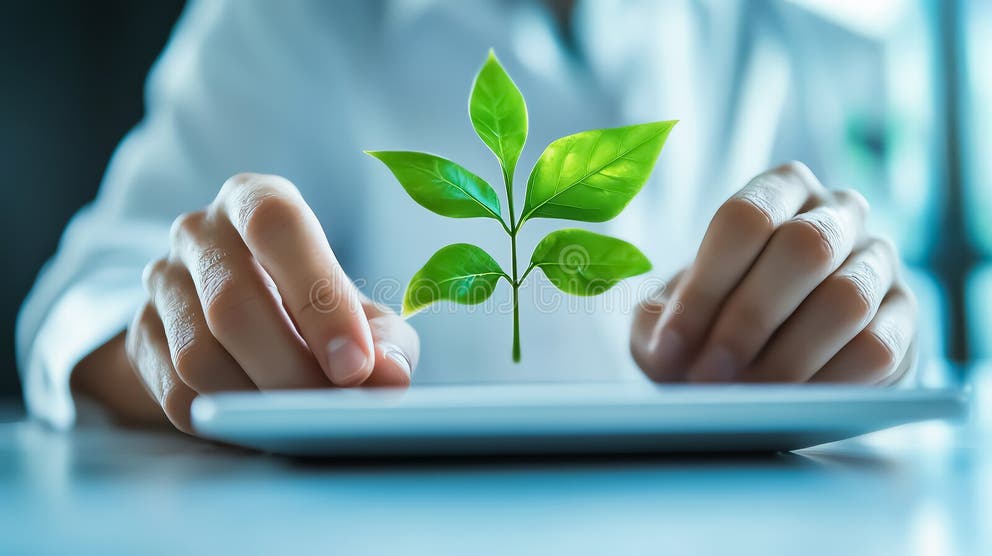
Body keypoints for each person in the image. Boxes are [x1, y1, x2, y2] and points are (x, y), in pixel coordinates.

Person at [16, 0, 918, 434]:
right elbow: (89, 298)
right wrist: (179, 333)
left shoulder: (761, 37)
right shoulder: (286, 24)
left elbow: (853, 266)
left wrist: (856, 311)